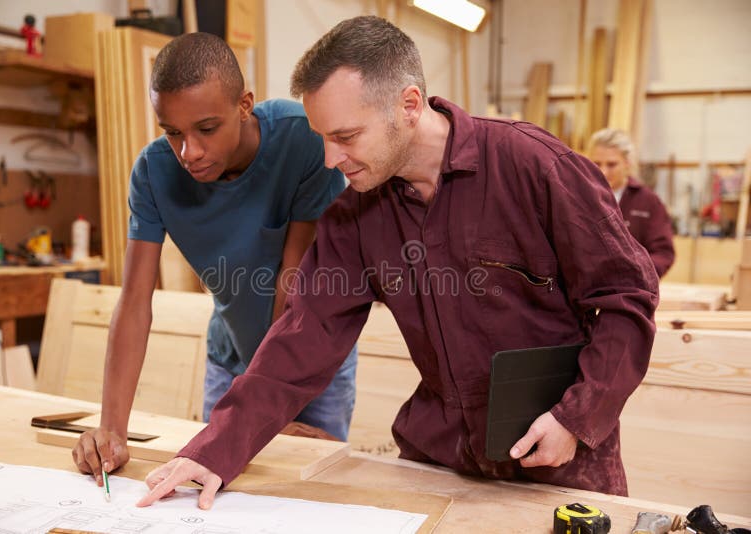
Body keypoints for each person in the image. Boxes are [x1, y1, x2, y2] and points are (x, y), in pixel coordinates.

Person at [136, 16, 658, 510]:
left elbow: (625, 298)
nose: (329, 159)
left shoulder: (533, 167)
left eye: (345, 136)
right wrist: (212, 449)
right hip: (442, 463)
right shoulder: (354, 218)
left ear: (409, 104)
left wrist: (577, 415)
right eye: (322, 138)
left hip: (560, 463)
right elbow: (301, 339)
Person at [71, 32, 358, 484]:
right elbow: (134, 300)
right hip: (230, 357)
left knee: (305, 498)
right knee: (212, 495)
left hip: (308, 356)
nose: (190, 152)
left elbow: (295, 280)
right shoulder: (153, 173)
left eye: (206, 128)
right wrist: (111, 429)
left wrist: (266, 407)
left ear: (244, 105)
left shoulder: (300, 138)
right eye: (172, 133)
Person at [588, 128, 675, 277]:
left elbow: (663, 252)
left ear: (627, 163)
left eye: (611, 164)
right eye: (597, 163)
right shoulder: (580, 196)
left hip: (632, 290)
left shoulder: (648, 201)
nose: (603, 172)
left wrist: (638, 277)